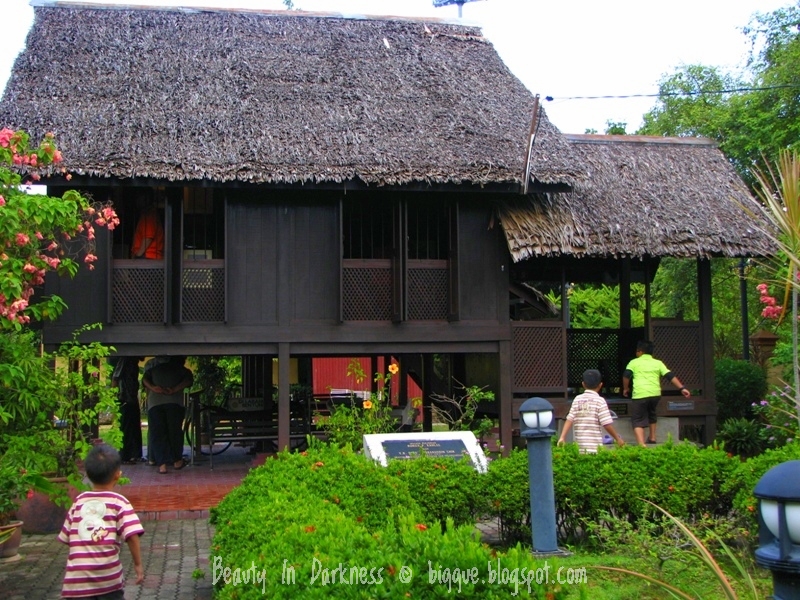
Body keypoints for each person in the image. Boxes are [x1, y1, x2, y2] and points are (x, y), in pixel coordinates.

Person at [59, 444, 144, 598]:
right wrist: (138, 565)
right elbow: (132, 535)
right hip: (108, 580)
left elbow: (67, 537)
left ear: (88, 474)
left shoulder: (78, 502)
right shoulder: (119, 502)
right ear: (118, 475)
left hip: (76, 582)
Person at [622, 340, 691, 447]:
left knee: (637, 419)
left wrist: (625, 388)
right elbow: (669, 376)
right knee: (652, 413)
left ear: (640, 351)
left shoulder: (634, 362)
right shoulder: (658, 363)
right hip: (655, 394)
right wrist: (682, 388)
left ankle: (641, 444)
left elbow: (626, 376)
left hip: (640, 394)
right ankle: (652, 437)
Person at [143, 356, 193, 474]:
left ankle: (162, 465)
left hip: (155, 404)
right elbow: (189, 380)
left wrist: (153, 388)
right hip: (174, 403)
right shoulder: (180, 369)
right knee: (174, 432)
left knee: (158, 433)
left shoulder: (154, 369)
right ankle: (177, 461)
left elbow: (144, 379)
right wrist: (175, 389)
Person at [558, 369, 625, 453]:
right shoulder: (600, 401)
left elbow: (569, 419)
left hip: (579, 449)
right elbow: (606, 424)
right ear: (601, 385)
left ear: (583, 384)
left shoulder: (577, 399)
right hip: (595, 449)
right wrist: (617, 439)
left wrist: (562, 437)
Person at [111, 356, 144, 464]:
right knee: (126, 427)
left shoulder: (134, 363)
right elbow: (115, 378)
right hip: (125, 399)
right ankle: (125, 456)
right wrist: (115, 397)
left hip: (132, 398)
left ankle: (135, 454)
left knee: (134, 427)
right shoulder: (125, 360)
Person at [130, 193, 164, 259]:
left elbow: (148, 237)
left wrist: (138, 255)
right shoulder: (148, 214)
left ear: (146, 199)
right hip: (149, 256)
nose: (136, 201)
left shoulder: (149, 215)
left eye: (138, 197)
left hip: (148, 256)